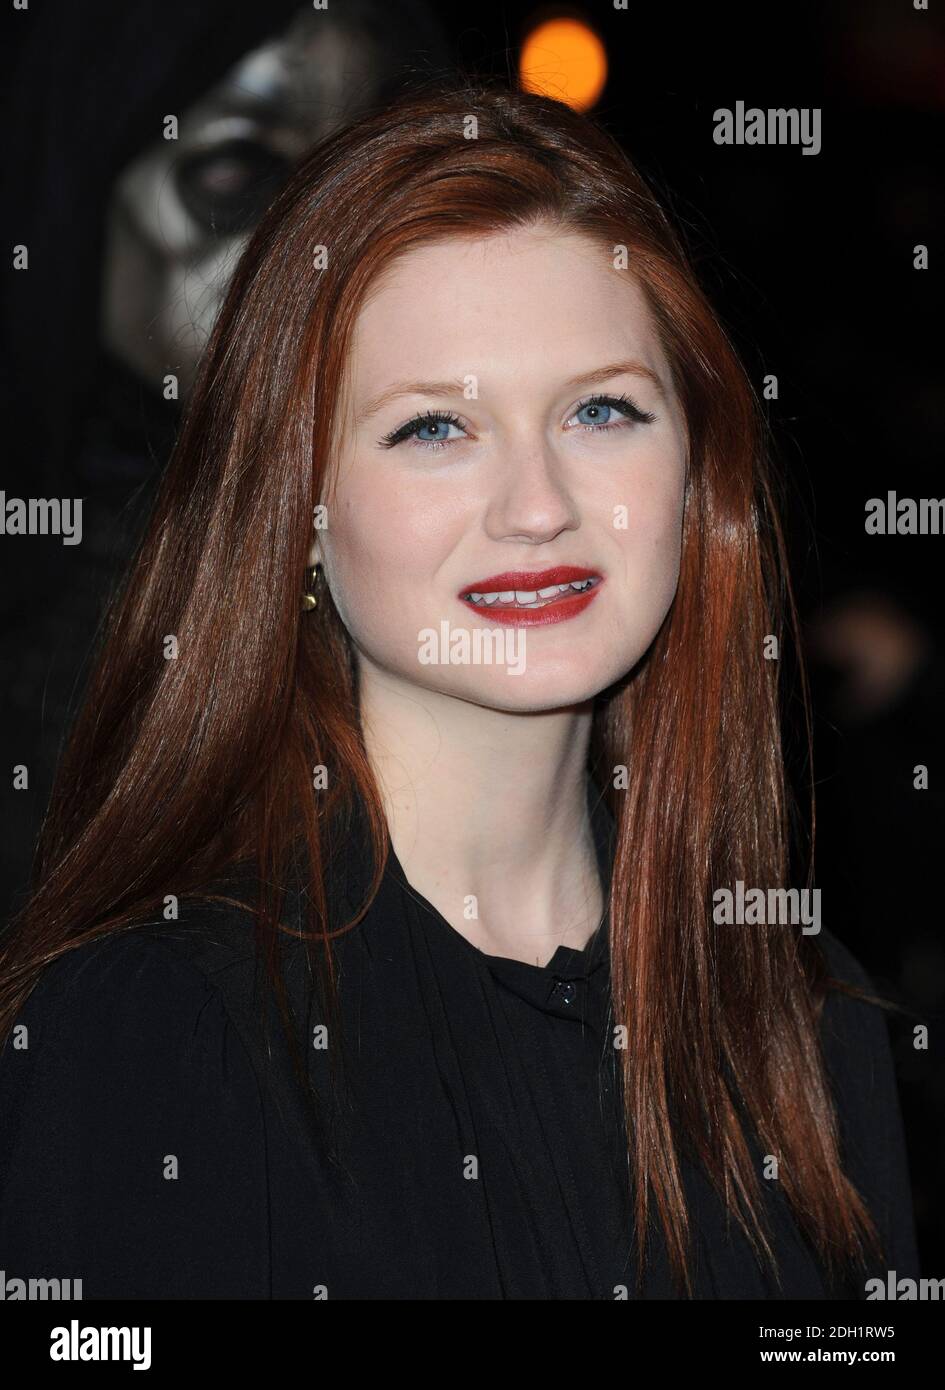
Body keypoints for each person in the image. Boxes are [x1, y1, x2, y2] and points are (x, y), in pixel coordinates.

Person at [0, 78, 920, 1300]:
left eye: (602, 409)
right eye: (435, 428)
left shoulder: (810, 1027)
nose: (537, 505)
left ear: (699, 475)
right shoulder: (155, 1034)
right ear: (299, 517)